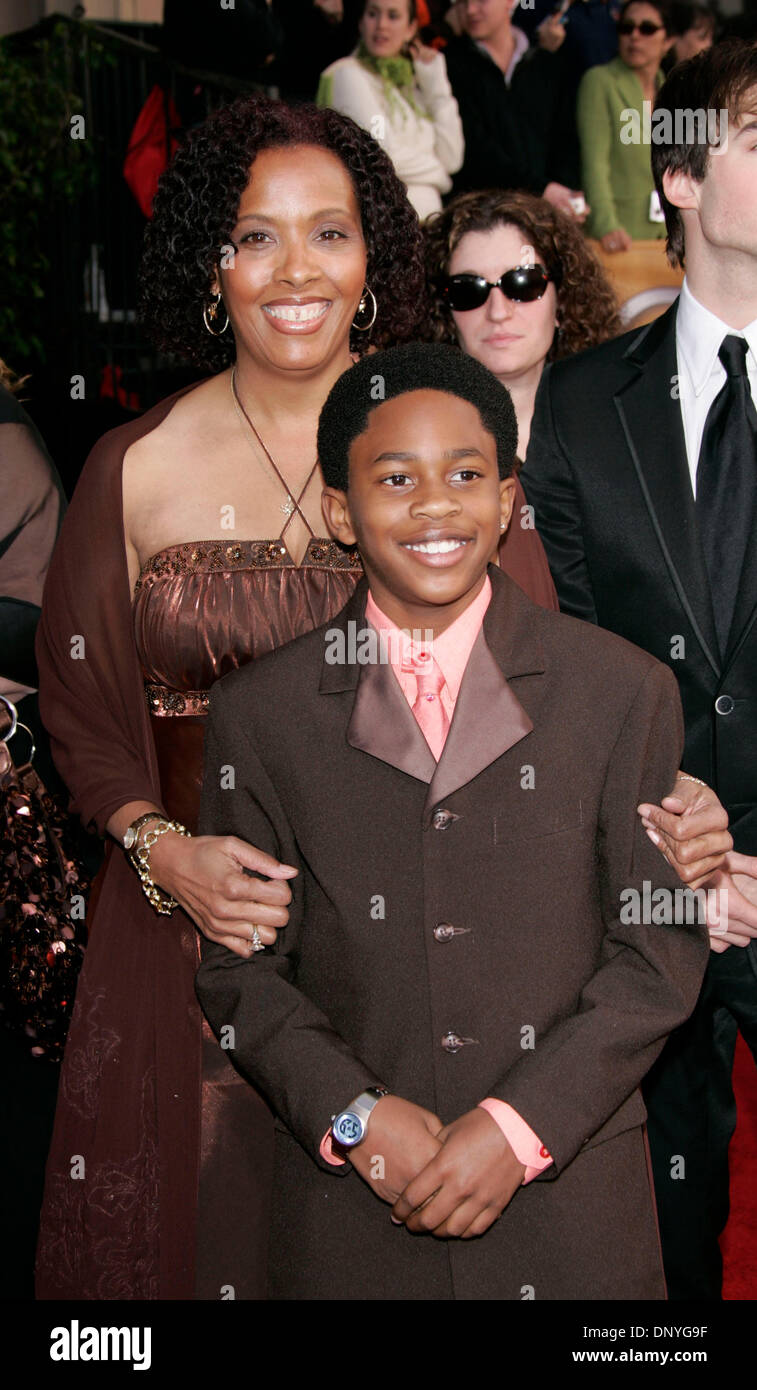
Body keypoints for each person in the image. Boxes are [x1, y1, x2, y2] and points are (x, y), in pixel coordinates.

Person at [33, 95, 555, 1301]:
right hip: (185, 943)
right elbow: (81, 713)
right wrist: (162, 848)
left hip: (414, 956)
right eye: (254, 235)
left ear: (374, 259)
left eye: (329, 232)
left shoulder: (445, 448)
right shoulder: (133, 466)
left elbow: (537, 687)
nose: (293, 269)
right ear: (209, 267)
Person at [195, 342, 710, 1300]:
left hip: (568, 1214)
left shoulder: (619, 690)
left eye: (466, 475)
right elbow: (239, 971)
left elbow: (658, 955)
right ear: (340, 512)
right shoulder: (261, 715)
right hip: (352, 1215)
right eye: (395, 479)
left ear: (509, 498)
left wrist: (517, 1129)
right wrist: (354, 1117)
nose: (435, 506)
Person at [522, 40, 757, 1298]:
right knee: (662, 1226)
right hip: (654, 881)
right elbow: (571, 663)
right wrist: (678, 855)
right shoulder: (576, 405)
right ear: (675, 172)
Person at [424, 188, 620, 457]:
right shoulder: (417, 440)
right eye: (468, 290)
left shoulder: (617, 429)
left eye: (522, 284)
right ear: (444, 312)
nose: (498, 312)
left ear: (562, 300)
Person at [316, 0, 464, 219]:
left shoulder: (410, 86)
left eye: (393, 16)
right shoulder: (347, 74)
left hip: (429, 228)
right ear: (361, 22)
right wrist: (440, 176)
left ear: (411, 28)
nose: (381, 25)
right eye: (373, 14)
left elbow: (452, 158)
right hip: (384, 227)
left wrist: (435, 84)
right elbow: (384, 154)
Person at [444, 0, 587, 218]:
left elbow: (565, 143)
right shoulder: (447, 65)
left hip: (542, 220)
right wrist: (542, 189)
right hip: (476, 218)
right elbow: (473, 150)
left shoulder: (548, 65)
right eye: (463, 2)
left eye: (481, 1)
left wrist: (563, 195)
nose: (470, 9)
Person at [577, 0, 674, 250]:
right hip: (616, 238)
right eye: (626, 27)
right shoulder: (600, 81)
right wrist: (606, 224)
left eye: (647, 29)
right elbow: (595, 164)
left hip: (665, 239)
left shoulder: (673, 90)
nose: (635, 36)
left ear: (669, 40)